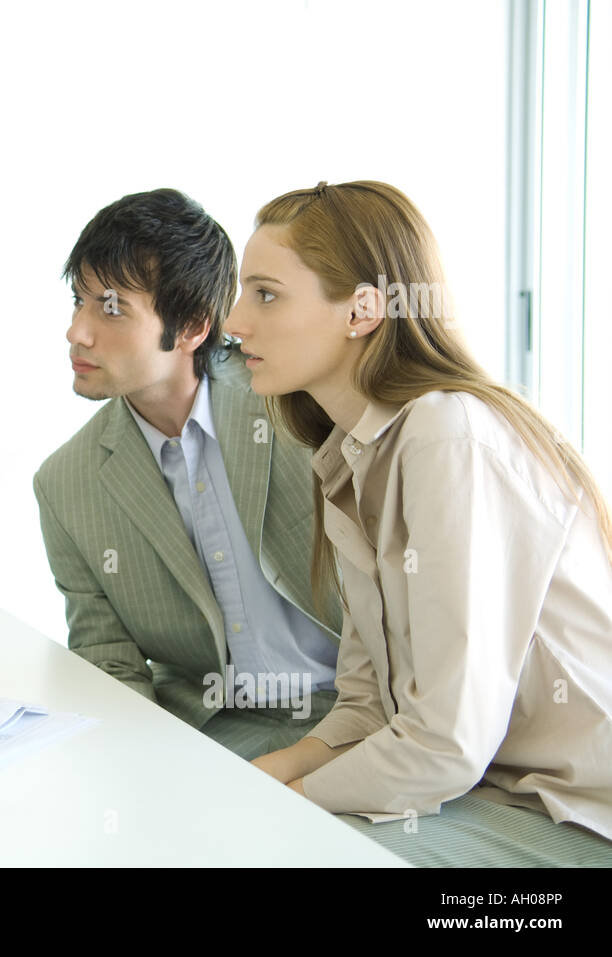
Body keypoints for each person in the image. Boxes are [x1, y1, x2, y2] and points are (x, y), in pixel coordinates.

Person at [234, 180, 612, 866]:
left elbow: (447, 740)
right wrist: (281, 765)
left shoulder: (446, 435)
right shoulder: (354, 454)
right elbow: (371, 700)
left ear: (362, 310)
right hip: (494, 784)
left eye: (265, 294)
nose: (235, 321)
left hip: (579, 809)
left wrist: (291, 796)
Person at [34, 189, 343, 761]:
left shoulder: (299, 406)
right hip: (211, 737)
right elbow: (111, 666)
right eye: (78, 301)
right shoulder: (63, 485)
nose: (77, 331)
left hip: (355, 716)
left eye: (110, 307)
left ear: (194, 328)